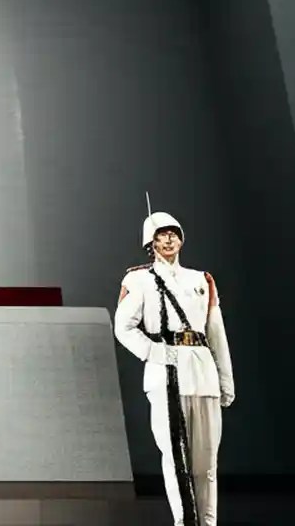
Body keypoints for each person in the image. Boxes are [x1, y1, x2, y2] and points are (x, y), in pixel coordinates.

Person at [114, 211, 235, 526]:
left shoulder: (201, 280)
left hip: (202, 371)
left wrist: (225, 380)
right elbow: (123, 326)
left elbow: (215, 332)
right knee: (175, 457)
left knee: (207, 461)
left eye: (174, 233)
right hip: (166, 374)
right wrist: (156, 352)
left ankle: (209, 522)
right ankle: (184, 521)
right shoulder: (139, 279)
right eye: (161, 234)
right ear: (150, 242)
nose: (169, 239)